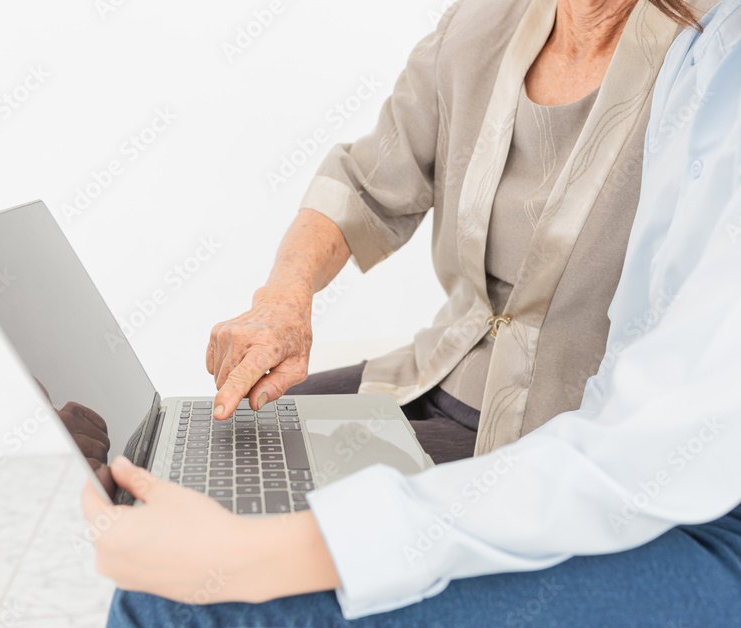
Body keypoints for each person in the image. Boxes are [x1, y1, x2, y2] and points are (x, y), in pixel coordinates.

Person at [88, 0, 741, 628]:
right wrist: (283, 298)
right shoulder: (705, 53)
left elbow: (652, 449)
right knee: (200, 460)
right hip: (504, 407)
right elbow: (369, 180)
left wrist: (270, 555)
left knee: (176, 609)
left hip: (678, 487)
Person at [204, 0, 713, 464]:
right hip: (433, 373)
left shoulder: (710, 55)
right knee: (224, 439)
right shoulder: (478, 26)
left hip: (559, 432)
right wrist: (284, 297)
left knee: (273, 486)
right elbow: (363, 187)